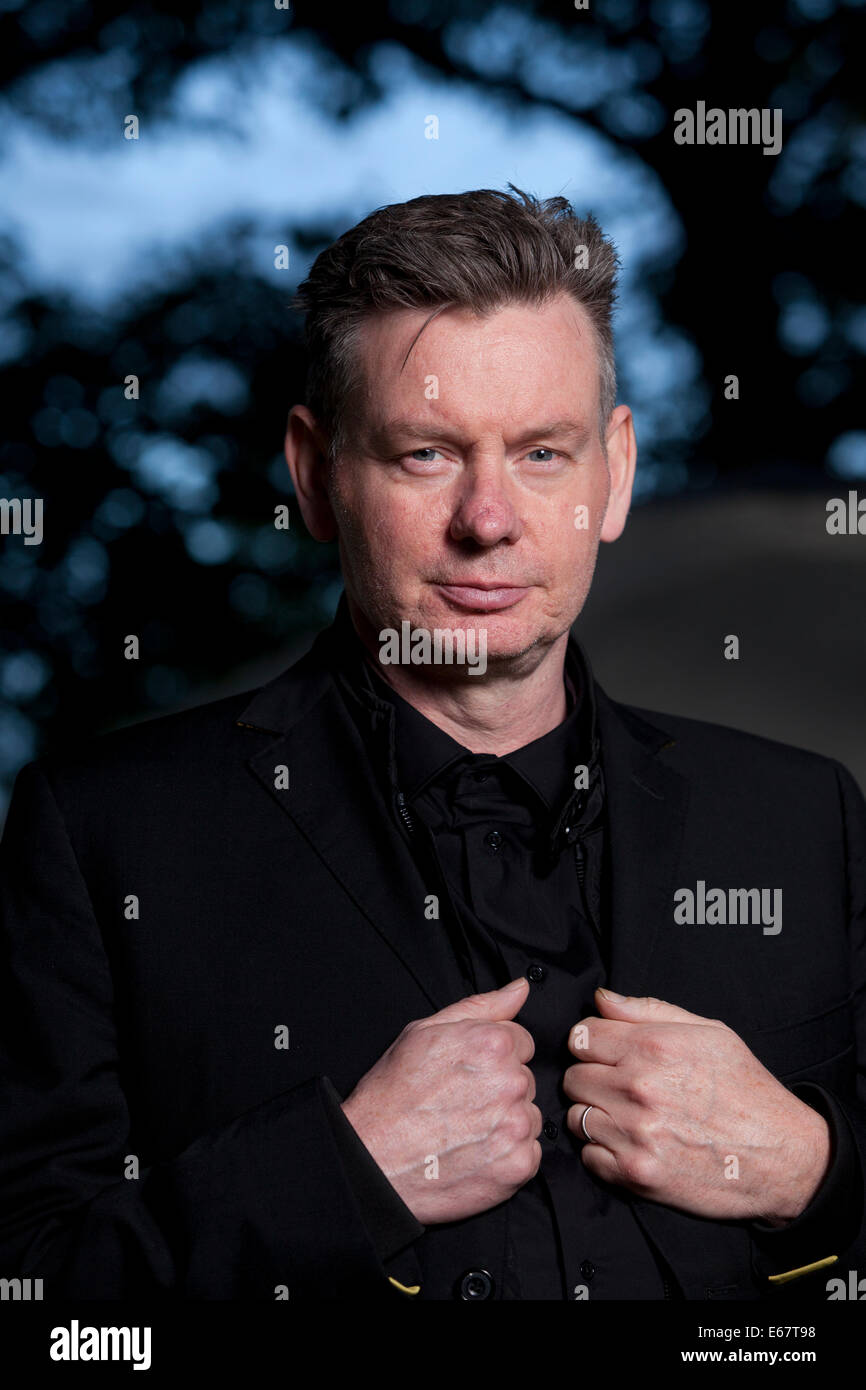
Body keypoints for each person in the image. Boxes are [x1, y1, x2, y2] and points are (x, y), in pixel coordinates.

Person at [1, 187, 863, 1301]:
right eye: (425, 454)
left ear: (615, 472)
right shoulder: (102, 834)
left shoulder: (807, 817)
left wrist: (810, 1165)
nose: (489, 517)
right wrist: (337, 1175)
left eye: (542, 453)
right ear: (314, 474)